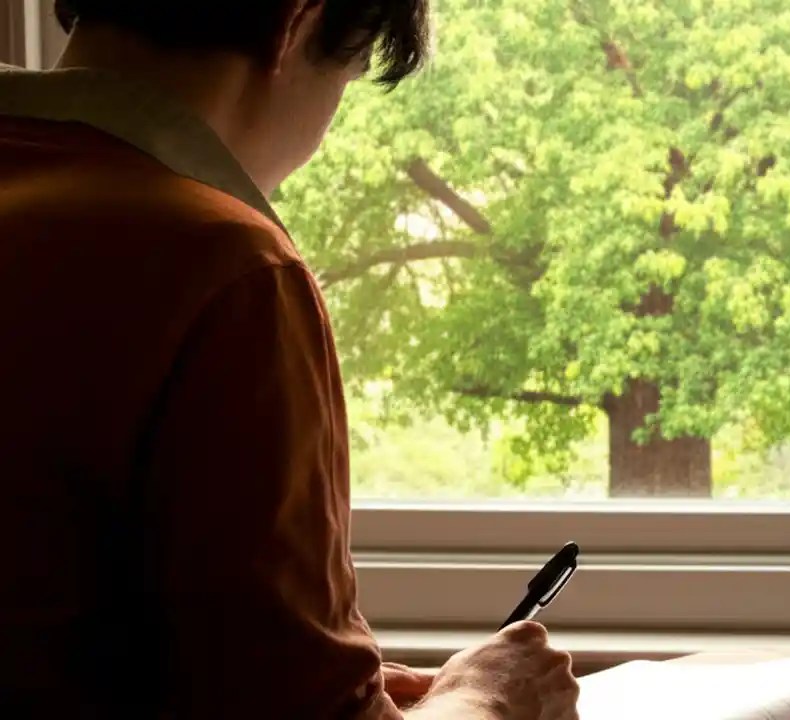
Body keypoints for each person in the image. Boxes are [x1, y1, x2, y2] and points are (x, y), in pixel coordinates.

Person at [0, 1, 579, 717]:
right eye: (351, 73)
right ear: (296, 23)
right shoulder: (224, 267)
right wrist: (491, 696)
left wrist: (329, 675)